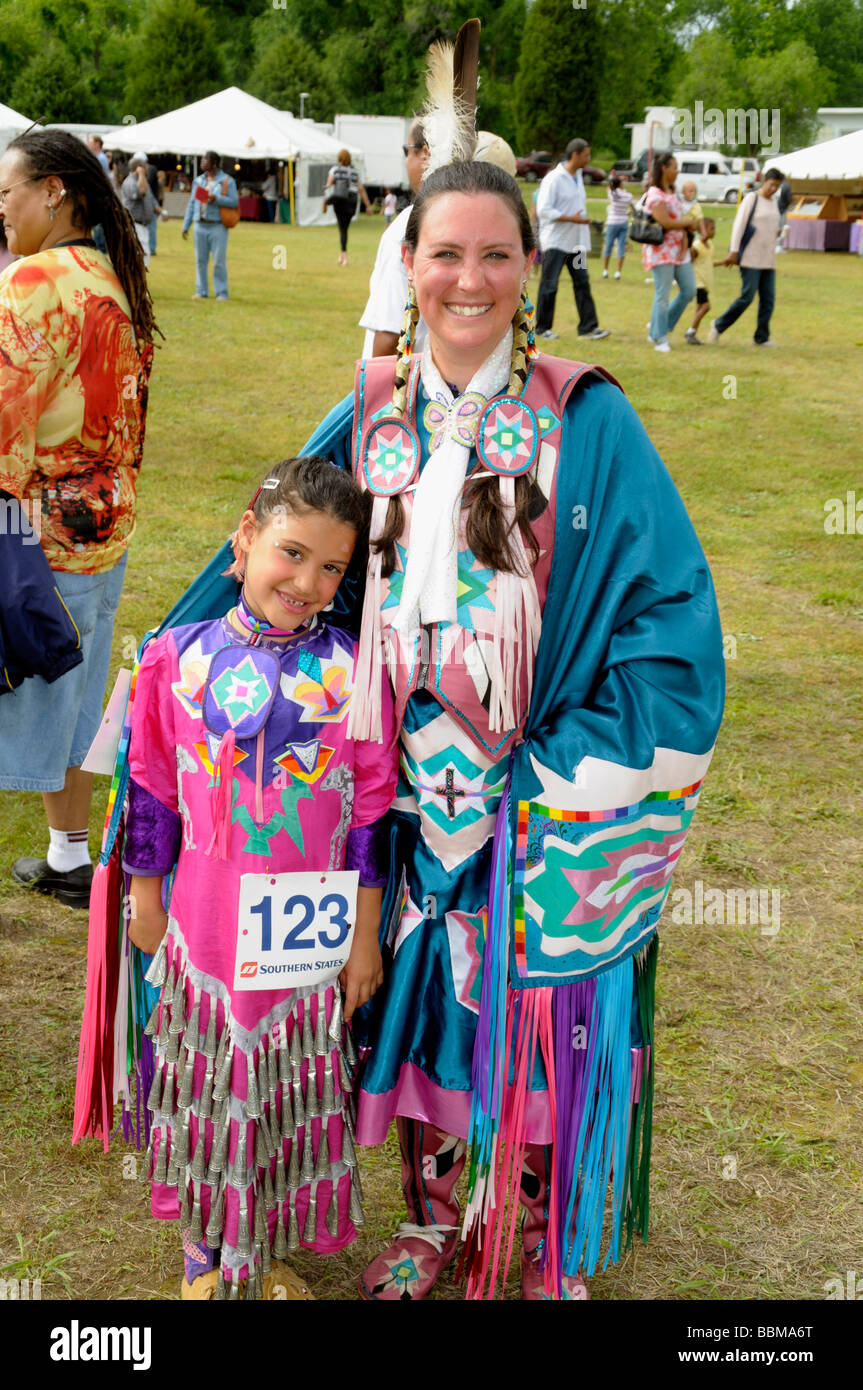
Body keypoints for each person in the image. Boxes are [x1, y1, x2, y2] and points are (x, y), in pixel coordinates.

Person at [297, 157, 724, 1301]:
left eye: (495, 254)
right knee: (419, 994)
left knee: (534, 1004)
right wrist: (192, 667)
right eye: (445, 253)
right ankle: (437, 1216)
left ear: (528, 267)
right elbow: (304, 561)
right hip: (405, 785)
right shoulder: (376, 404)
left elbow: (665, 608)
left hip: (531, 782)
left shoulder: (582, 414)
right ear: (409, 264)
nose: (468, 279)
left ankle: (532, 1233)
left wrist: (571, 760)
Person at [110, 456, 399, 1299]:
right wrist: (144, 895)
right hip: (202, 925)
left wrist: (361, 937)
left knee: (284, 1088)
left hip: (302, 936)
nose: (308, 580)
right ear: (244, 539)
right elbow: (154, 790)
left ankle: (261, 1241)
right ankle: (207, 1252)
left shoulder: (353, 673)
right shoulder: (176, 660)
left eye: (333, 567)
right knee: (208, 1085)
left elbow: (371, 812)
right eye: (291, 552)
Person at [0, 128, 156, 907]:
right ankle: (69, 858)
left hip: (31, 540)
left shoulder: (33, 278)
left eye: (8, 192)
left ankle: (71, 854)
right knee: (74, 697)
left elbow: (2, 427)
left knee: (47, 696)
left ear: (54, 191)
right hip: (100, 529)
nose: (1, 209)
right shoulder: (108, 271)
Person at [359, 122, 429, 358]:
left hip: (407, 384)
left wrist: (375, 394)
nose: (406, 160)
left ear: (425, 154)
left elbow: (390, 334)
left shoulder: (407, 225)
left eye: (406, 150)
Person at [534, 137, 610, 341]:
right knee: (549, 284)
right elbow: (543, 210)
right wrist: (571, 219)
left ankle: (588, 327)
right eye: (586, 155)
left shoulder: (579, 176)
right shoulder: (554, 179)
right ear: (575, 154)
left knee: (582, 282)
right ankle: (542, 328)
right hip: (556, 242)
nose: (589, 159)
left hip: (577, 244)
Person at [709, 168, 783, 346]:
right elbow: (739, 226)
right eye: (772, 184)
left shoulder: (774, 202)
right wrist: (733, 251)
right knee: (747, 297)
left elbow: (769, 227)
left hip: (768, 258)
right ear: (765, 181)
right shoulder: (752, 199)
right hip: (750, 257)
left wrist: (778, 233)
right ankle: (718, 325)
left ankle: (761, 337)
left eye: (777, 186)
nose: (773, 189)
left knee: (768, 299)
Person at [642, 152, 697, 353]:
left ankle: (660, 326)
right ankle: (659, 337)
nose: (677, 171)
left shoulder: (673, 192)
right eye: (674, 166)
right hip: (661, 250)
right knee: (662, 294)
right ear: (664, 168)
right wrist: (688, 223)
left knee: (689, 290)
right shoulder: (655, 194)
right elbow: (664, 221)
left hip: (679, 250)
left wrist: (686, 226)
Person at [181, 151, 239, 301]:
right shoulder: (198, 181)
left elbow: (234, 202)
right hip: (200, 224)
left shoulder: (227, 181)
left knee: (219, 261)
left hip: (217, 226)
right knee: (200, 260)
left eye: (205, 159)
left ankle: (221, 292)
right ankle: (201, 291)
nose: (201, 162)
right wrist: (186, 225)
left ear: (214, 163)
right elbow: (192, 203)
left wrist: (217, 199)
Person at [323, 149, 371, 267]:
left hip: (340, 201)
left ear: (339, 158)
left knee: (342, 229)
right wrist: (368, 206)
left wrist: (324, 203)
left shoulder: (335, 170)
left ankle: (344, 257)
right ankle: (341, 255)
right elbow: (361, 189)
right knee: (344, 228)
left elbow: (328, 186)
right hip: (352, 202)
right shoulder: (355, 172)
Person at [120, 152, 159, 269]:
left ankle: (140, 283)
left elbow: (151, 198)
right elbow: (141, 192)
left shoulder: (143, 181)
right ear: (138, 168)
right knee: (139, 256)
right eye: (144, 167)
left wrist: (160, 211)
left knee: (144, 255)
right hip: (134, 225)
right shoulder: (130, 182)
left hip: (143, 225)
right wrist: (141, 174)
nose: (147, 169)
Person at [685, 217, 715, 345]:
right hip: (698, 281)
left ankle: (693, 333)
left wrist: (721, 263)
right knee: (706, 306)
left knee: (699, 308)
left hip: (705, 281)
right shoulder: (696, 246)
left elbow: (707, 262)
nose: (714, 231)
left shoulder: (710, 245)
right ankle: (690, 331)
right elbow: (689, 262)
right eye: (711, 228)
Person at [601, 173, 633, 279]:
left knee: (608, 246)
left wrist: (617, 179)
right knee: (621, 247)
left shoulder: (612, 194)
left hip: (612, 222)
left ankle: (605, 270)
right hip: (623, 222)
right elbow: (633, 209)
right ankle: (618, 272)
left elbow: (609, 186)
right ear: (620, 184)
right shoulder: (628, 195)